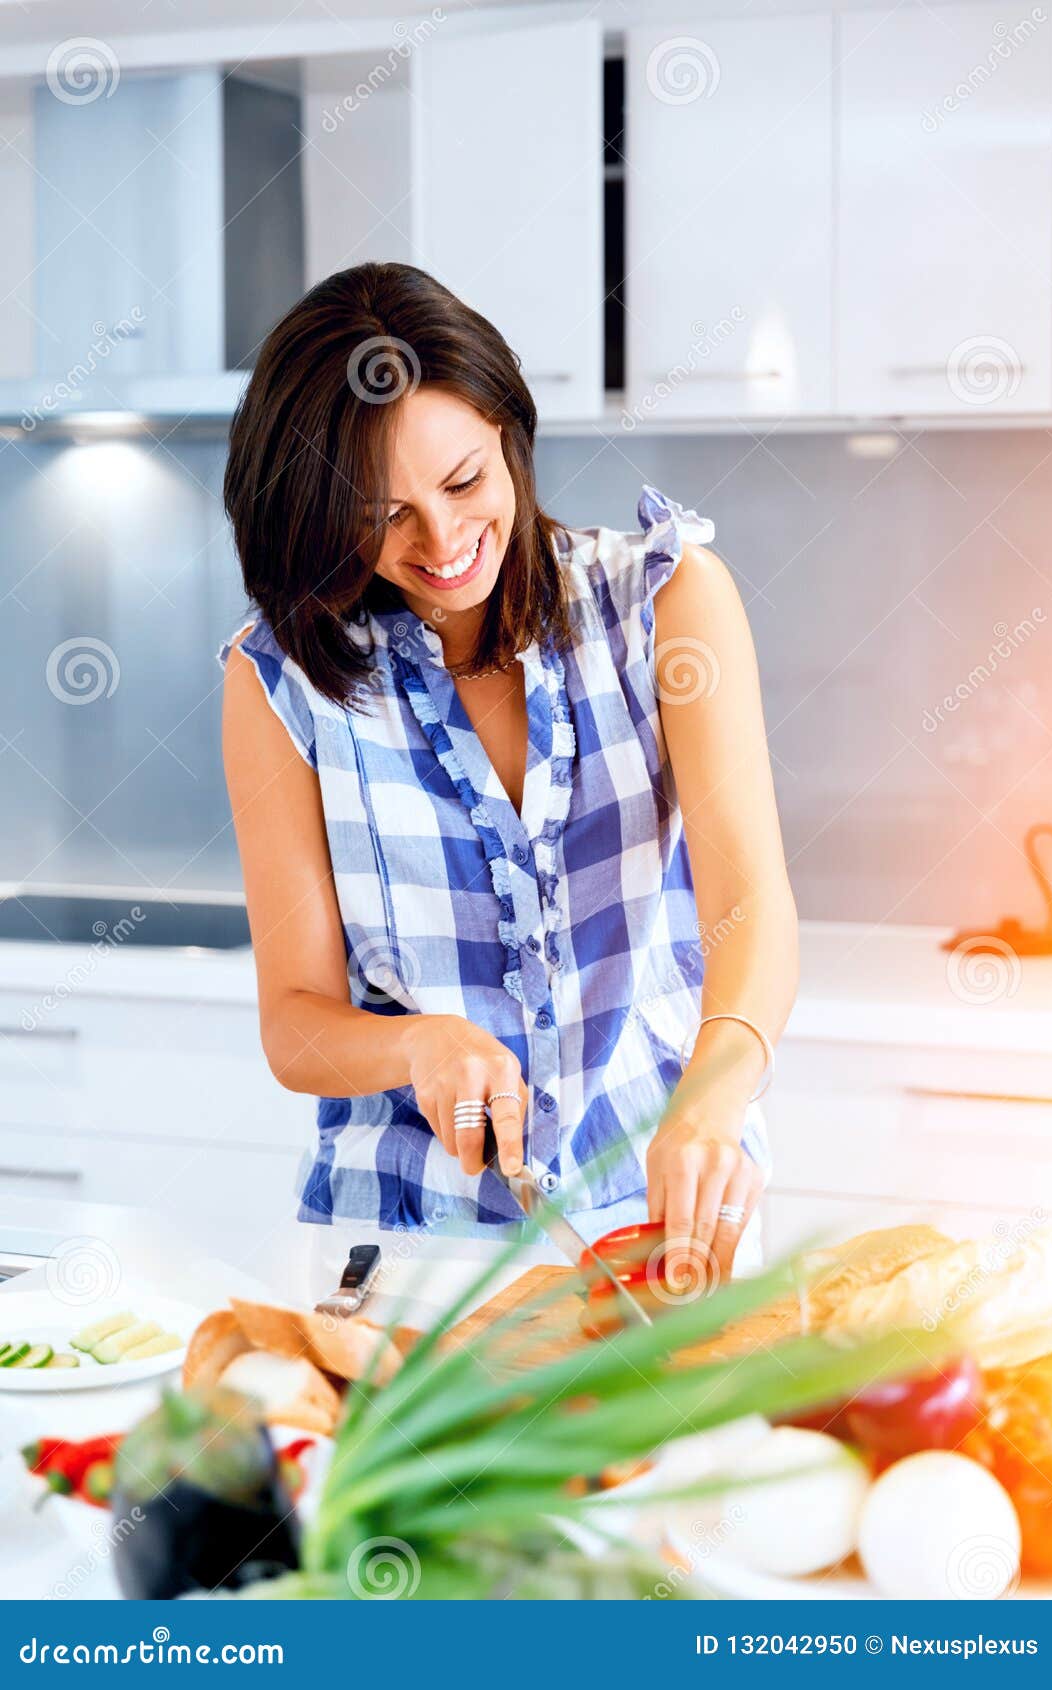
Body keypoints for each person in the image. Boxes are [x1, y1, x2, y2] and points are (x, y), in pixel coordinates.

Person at [220, 262, 797, 1288]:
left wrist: (711, 1098)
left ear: (509, 436)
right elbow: (295, 1018)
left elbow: (750, 909)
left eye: (461, 482)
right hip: (401, 1247)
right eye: (383, 512)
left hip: (658, 1231)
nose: (441, 543)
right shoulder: (281, 681)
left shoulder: (663, 603)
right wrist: (418, 1046)